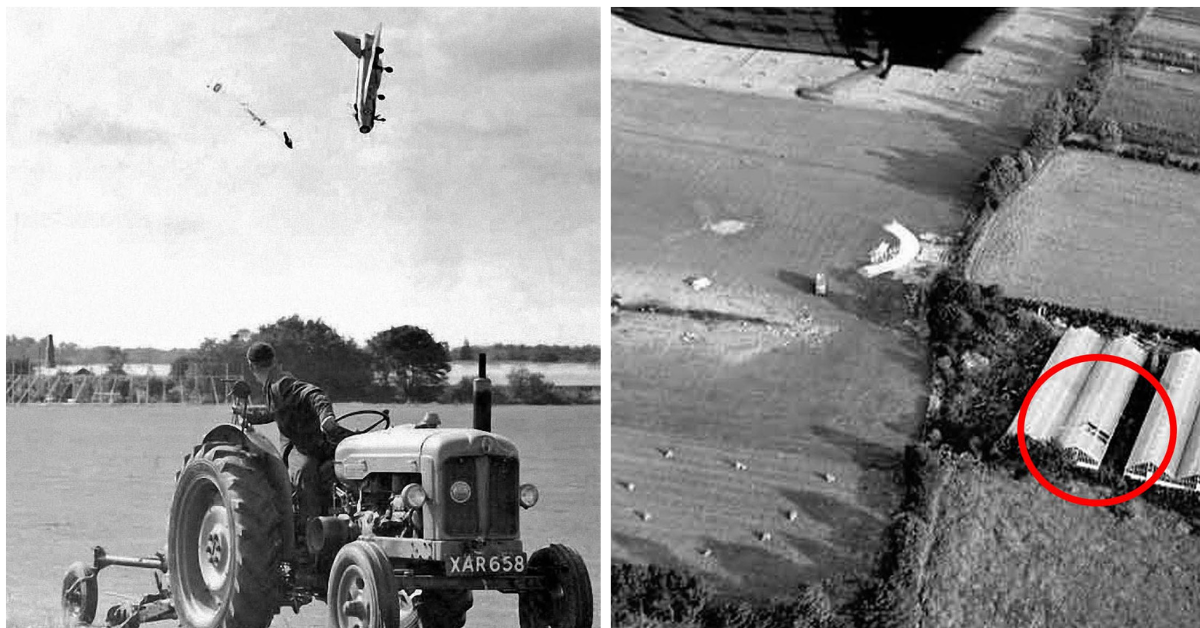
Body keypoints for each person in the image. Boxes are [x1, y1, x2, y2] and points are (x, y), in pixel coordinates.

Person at [239, 341, 352, 556]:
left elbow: (313, 394)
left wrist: (326, 417)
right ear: (273, 361)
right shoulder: (274, 385)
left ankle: (319, 536)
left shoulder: (281, 383)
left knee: (309, 470)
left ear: (253, 368)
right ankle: (309, 540)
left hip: (309, 445)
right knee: (305, 471)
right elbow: (275, 412)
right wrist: (248, 415)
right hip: (304, 447)